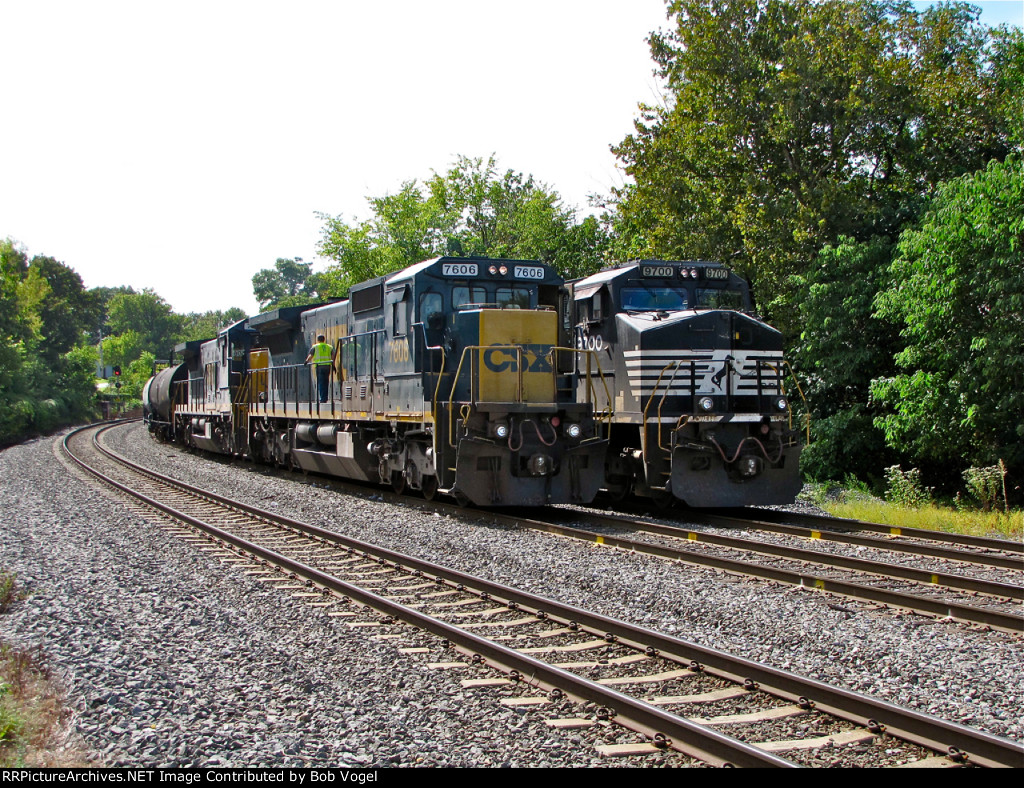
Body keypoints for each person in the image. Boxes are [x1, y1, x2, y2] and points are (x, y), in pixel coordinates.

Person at [305, 334, 336, 403]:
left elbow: (311, 355)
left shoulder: (315, 347)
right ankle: (325, 397)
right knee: (326, 382)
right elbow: (333, 356)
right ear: (324, 339)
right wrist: (333, 365)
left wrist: (306, 361)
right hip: (327, 366)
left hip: (319, 366)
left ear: (318, 340)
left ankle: (322, 398)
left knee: (321, 382)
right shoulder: (329, 347)